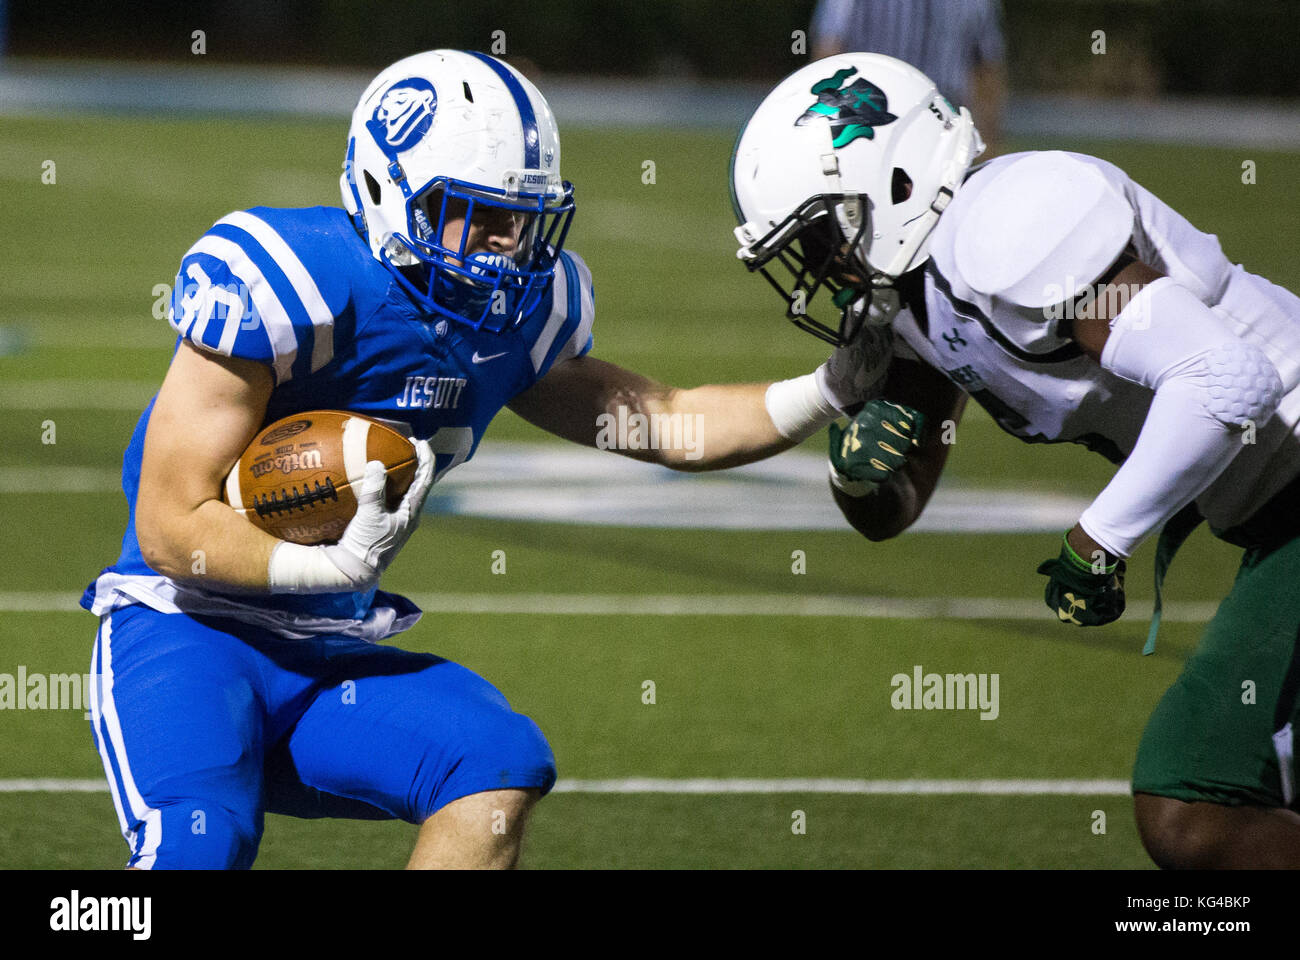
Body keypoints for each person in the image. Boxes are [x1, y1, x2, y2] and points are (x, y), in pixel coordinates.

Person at [82, 49, 886, 869]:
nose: (508, 245)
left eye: (525, 217)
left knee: (494, 764)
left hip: (326, 657)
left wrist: (828, 388)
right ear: (387, 191)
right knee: (202, 842)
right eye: (479, 213)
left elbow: (670, 424)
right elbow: (168, 523)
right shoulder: (292, 280)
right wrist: (322, 568)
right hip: (187, 632)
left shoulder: (520, 320)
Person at [730, 52, 1300, 868]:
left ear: (893, 184)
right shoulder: (909, 299)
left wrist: (1099, 539)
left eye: (821, 236)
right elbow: (893, 510)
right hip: (1276, 517)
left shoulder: (1013, 223)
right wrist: (854, 473)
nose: (821, 269)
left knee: (1193, 803)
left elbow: (1221, 378)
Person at [810, 0, 1006, 154]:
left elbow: (829, 50)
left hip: (930, 125)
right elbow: (987, 67)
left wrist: (987, 139)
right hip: (883, 120)